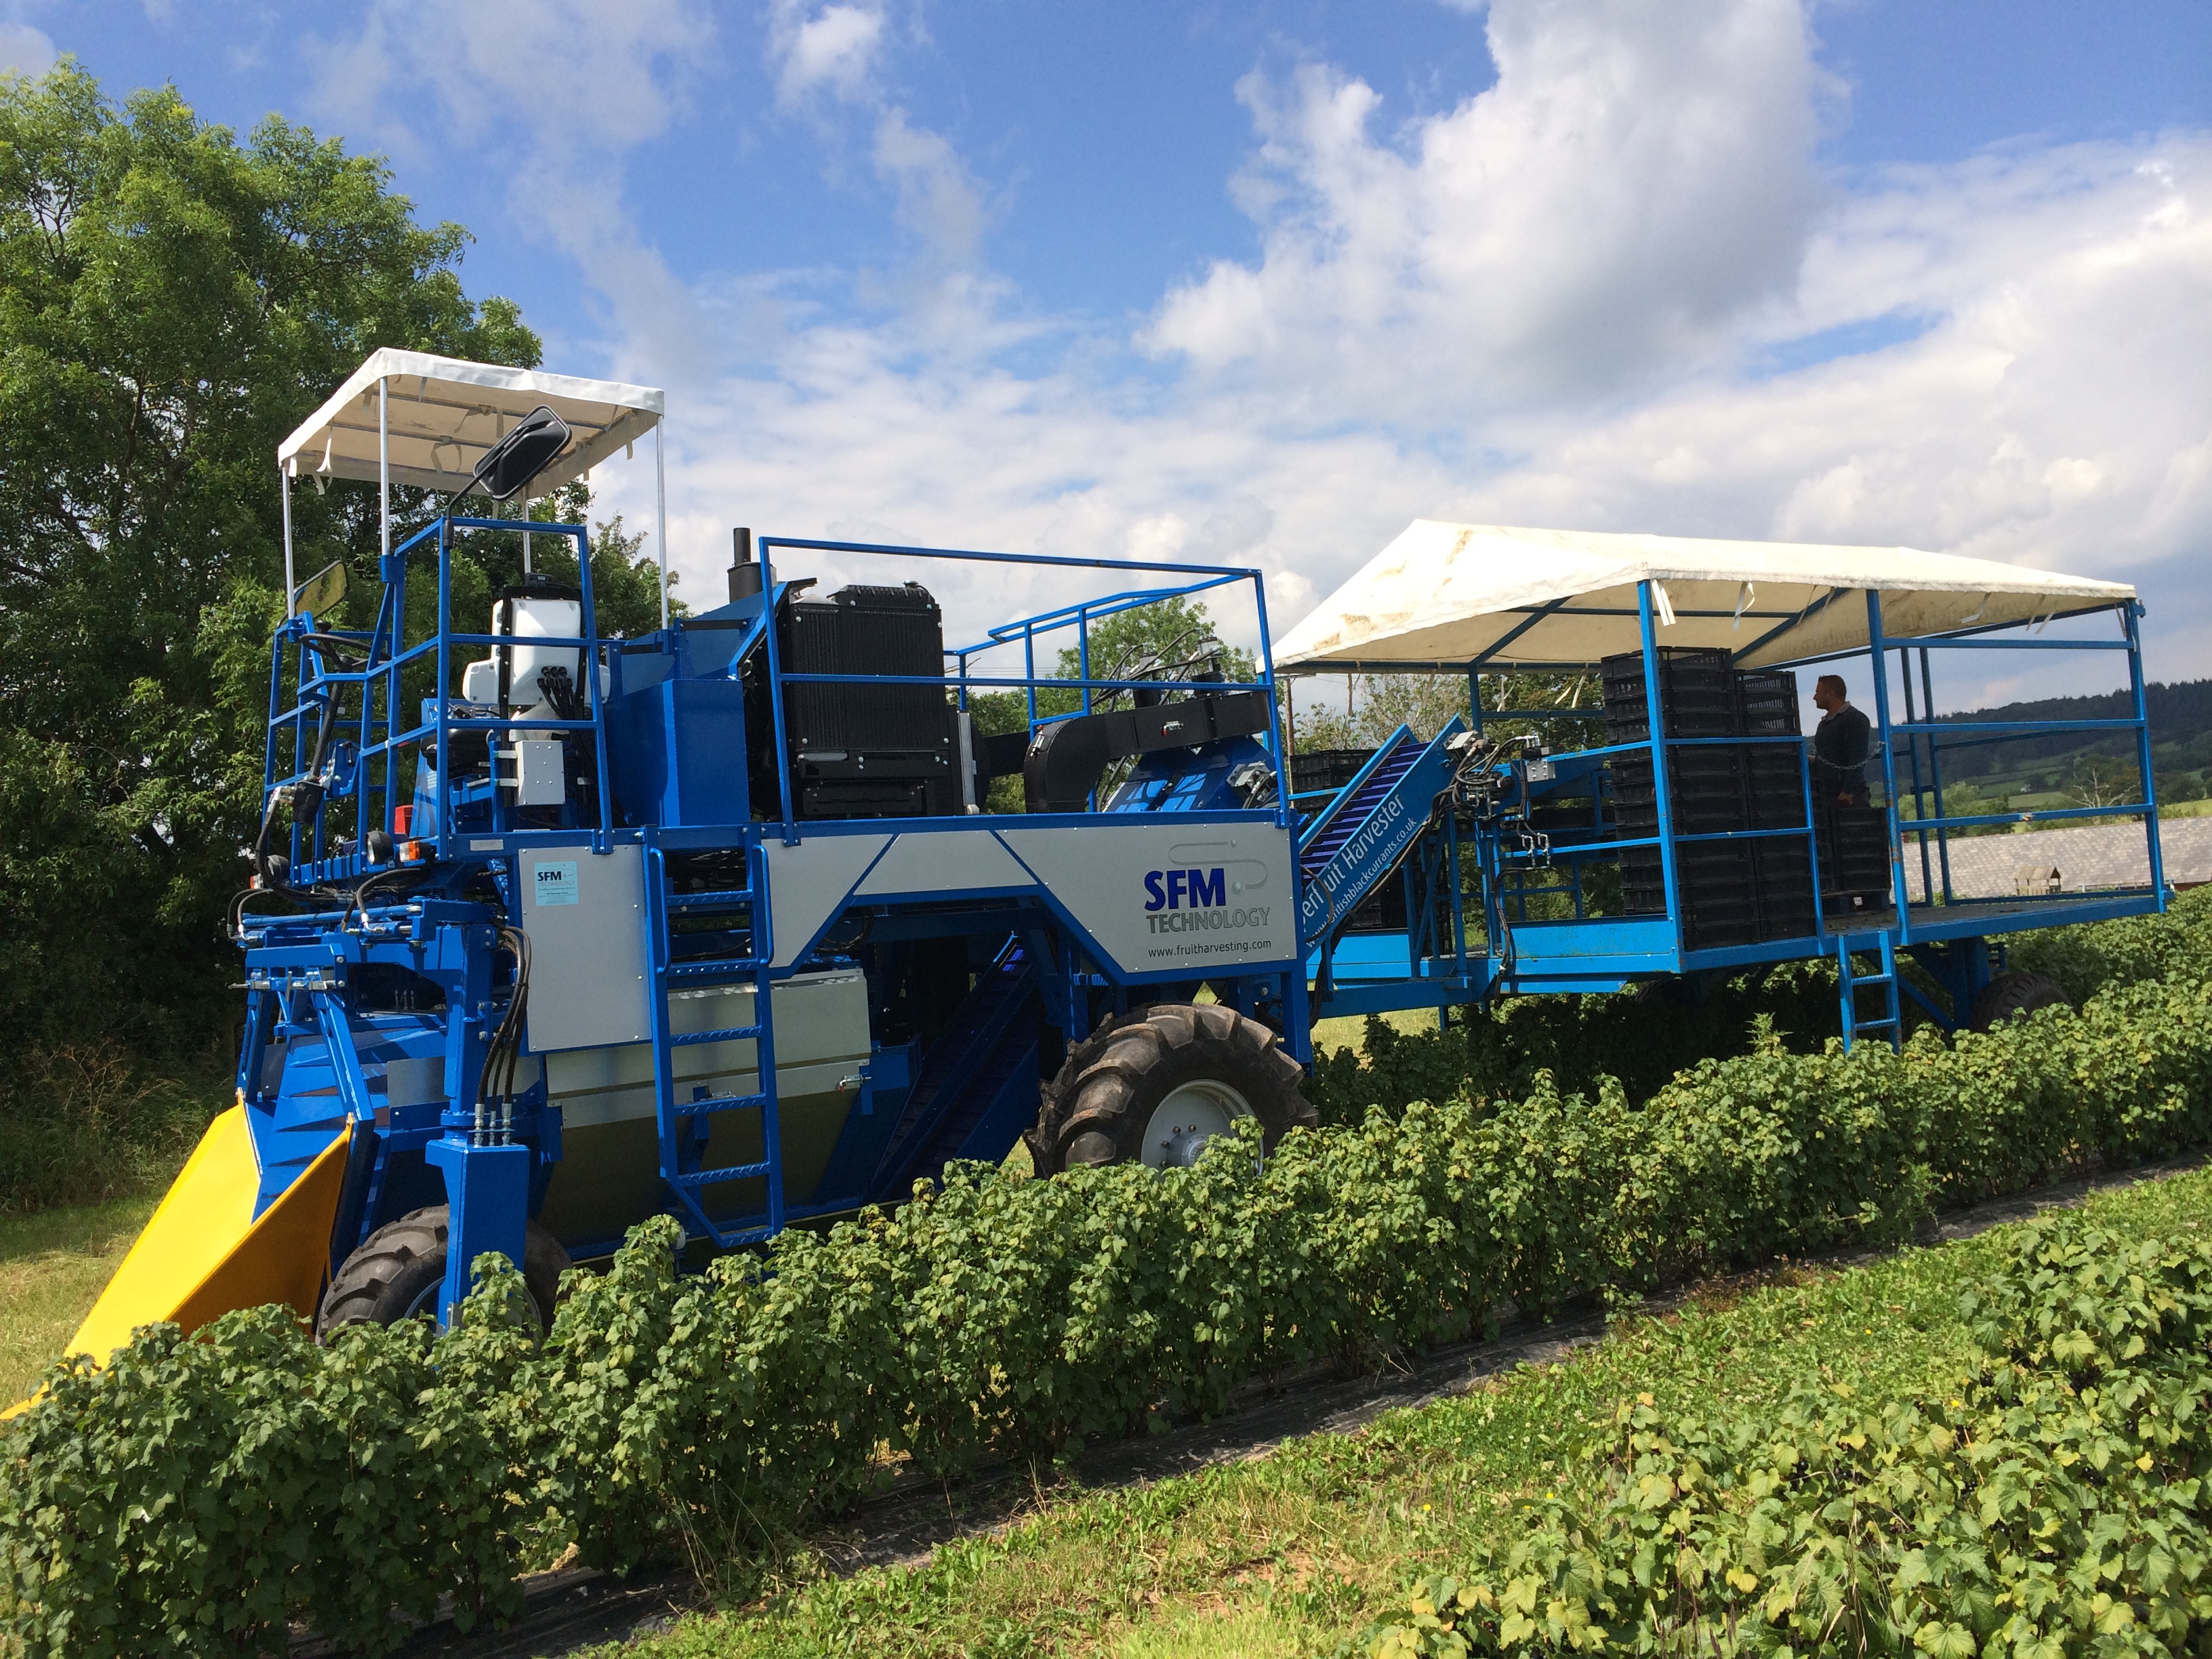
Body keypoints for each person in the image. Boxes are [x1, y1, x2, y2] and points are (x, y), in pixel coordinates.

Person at [1810, 674, 1871, 808]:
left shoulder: (1856, 719)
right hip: (1828, 793)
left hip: (1849, 797)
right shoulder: (1823, 724)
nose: (1814, 697)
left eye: (1817, 692)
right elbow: (1831, 756)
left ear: (1830, 694)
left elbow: (1858, 758)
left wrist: (1848, 791)